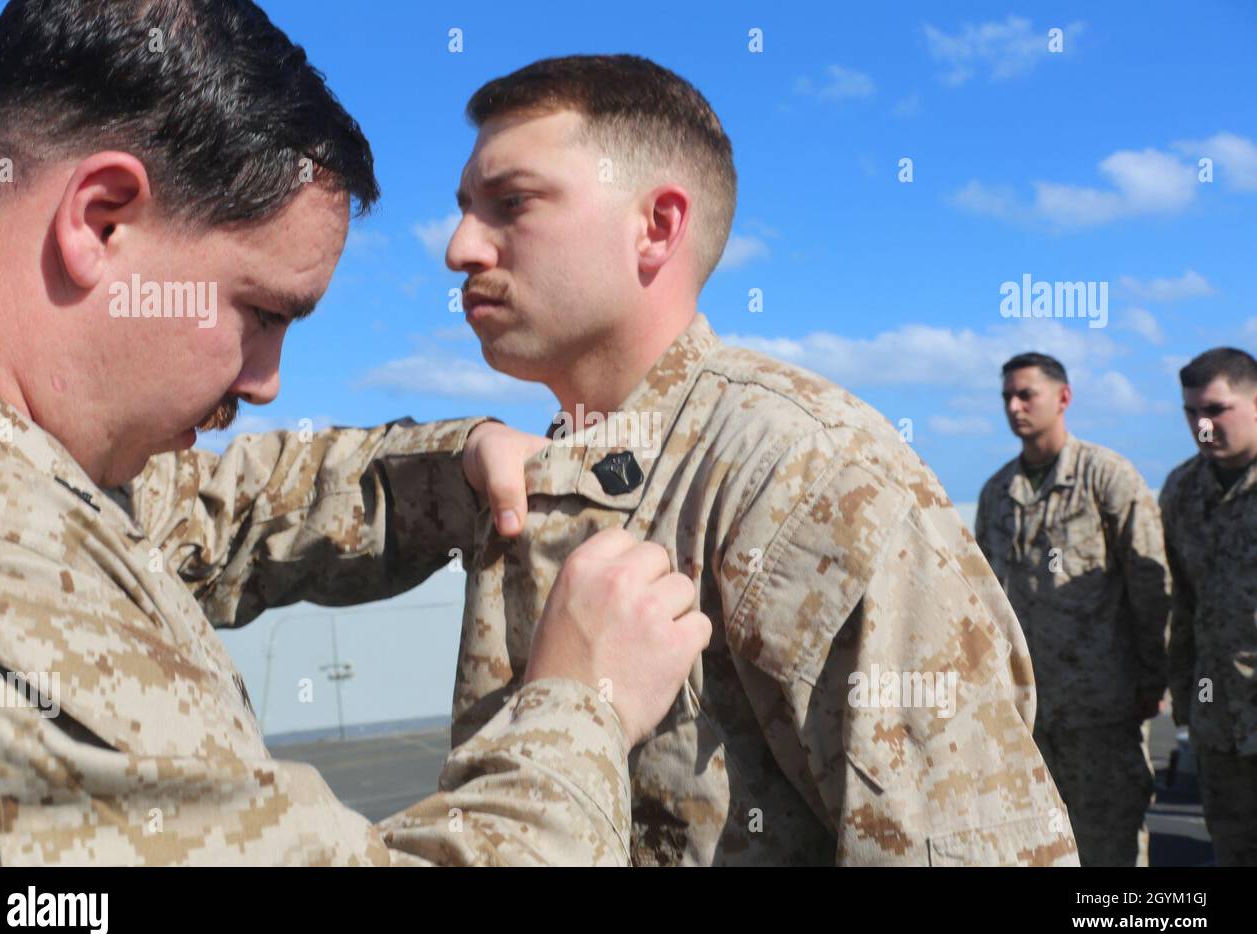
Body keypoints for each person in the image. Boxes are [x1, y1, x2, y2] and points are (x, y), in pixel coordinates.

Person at [0, 0, 709, 866]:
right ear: (102, 220)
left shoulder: (31, 470)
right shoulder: (4, 590)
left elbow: (209, 513)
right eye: (262, 311)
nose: (267, 381)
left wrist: (443, 470)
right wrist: (585, 704)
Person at [443, 53, 1078, 865]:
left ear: (659, 226)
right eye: (465, 208)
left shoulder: (802, 469)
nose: (461, 248)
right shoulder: (545, 472)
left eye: (511, 204)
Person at [975, 353, 1170, 866]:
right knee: (1037, 848)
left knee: (1110, 847)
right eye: (1006, 398)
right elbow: (984, 599)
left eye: (1026, 395)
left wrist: (1154, 680)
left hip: (1101, 707)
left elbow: (1151, 588)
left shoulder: (1106, 479)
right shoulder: (998, 493)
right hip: (1027, 715)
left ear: (1063, 398)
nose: (1014, 407)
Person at [1159, 347, 1257, 865]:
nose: (1203, 425)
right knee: (1232, 851)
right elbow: (1184, 604)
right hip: (1219, 721)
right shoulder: (1181, 490)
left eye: (1217, 410)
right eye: (1191, 412)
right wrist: (1184, 705)